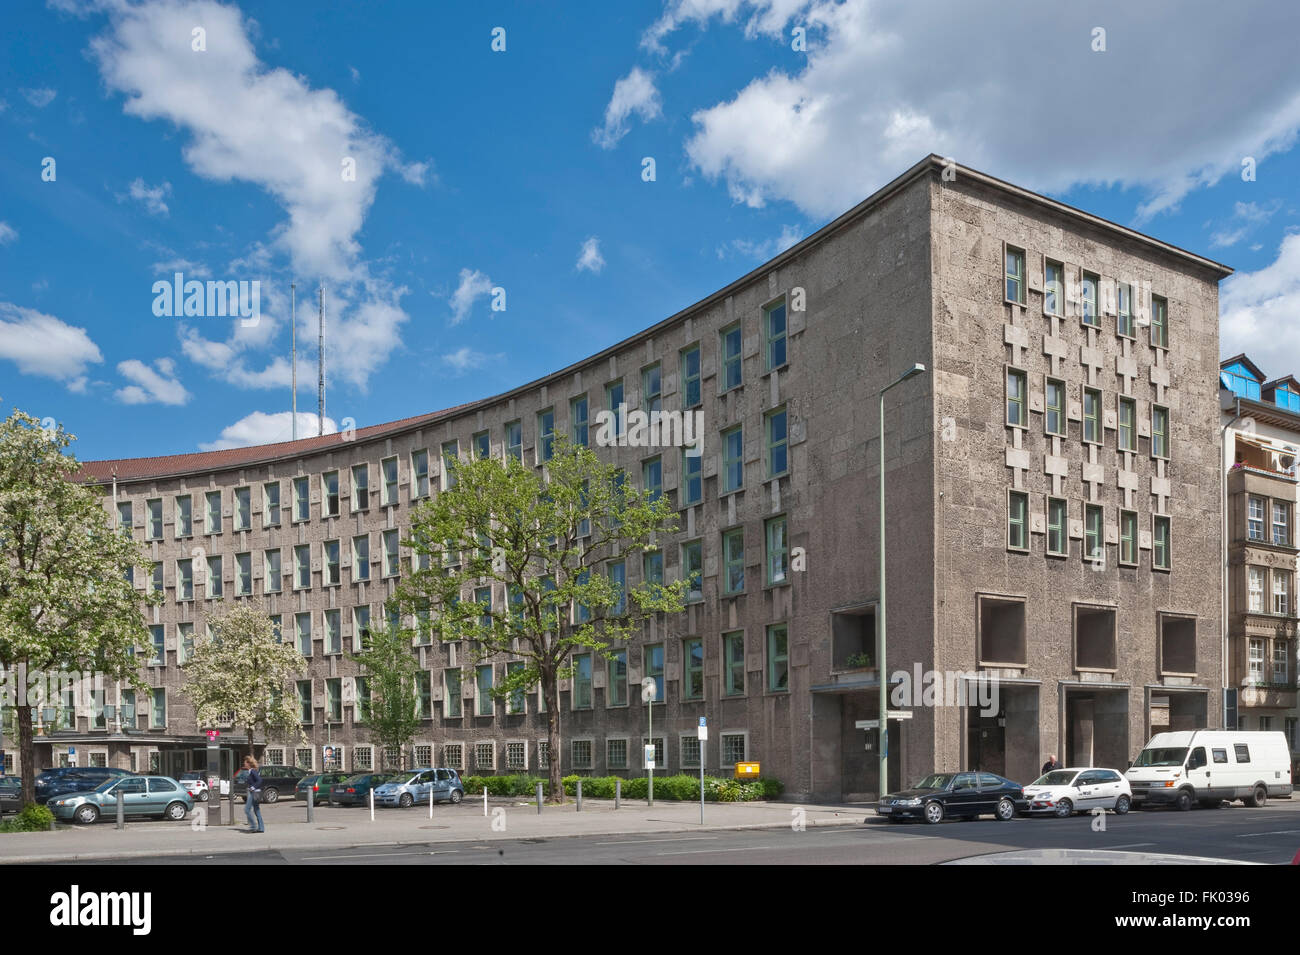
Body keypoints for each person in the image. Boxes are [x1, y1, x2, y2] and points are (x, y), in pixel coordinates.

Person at [243, 756, 265, 833]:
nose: (244, 764)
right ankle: (261, 828)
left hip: (254, 792)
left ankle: (253, 826)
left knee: (247, 809)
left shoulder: (252, 771)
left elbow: (260, 780)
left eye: (245, 762)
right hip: (256, 792)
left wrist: (252, 787)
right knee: (256, 810)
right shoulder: (251, 771)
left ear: (248, 763)